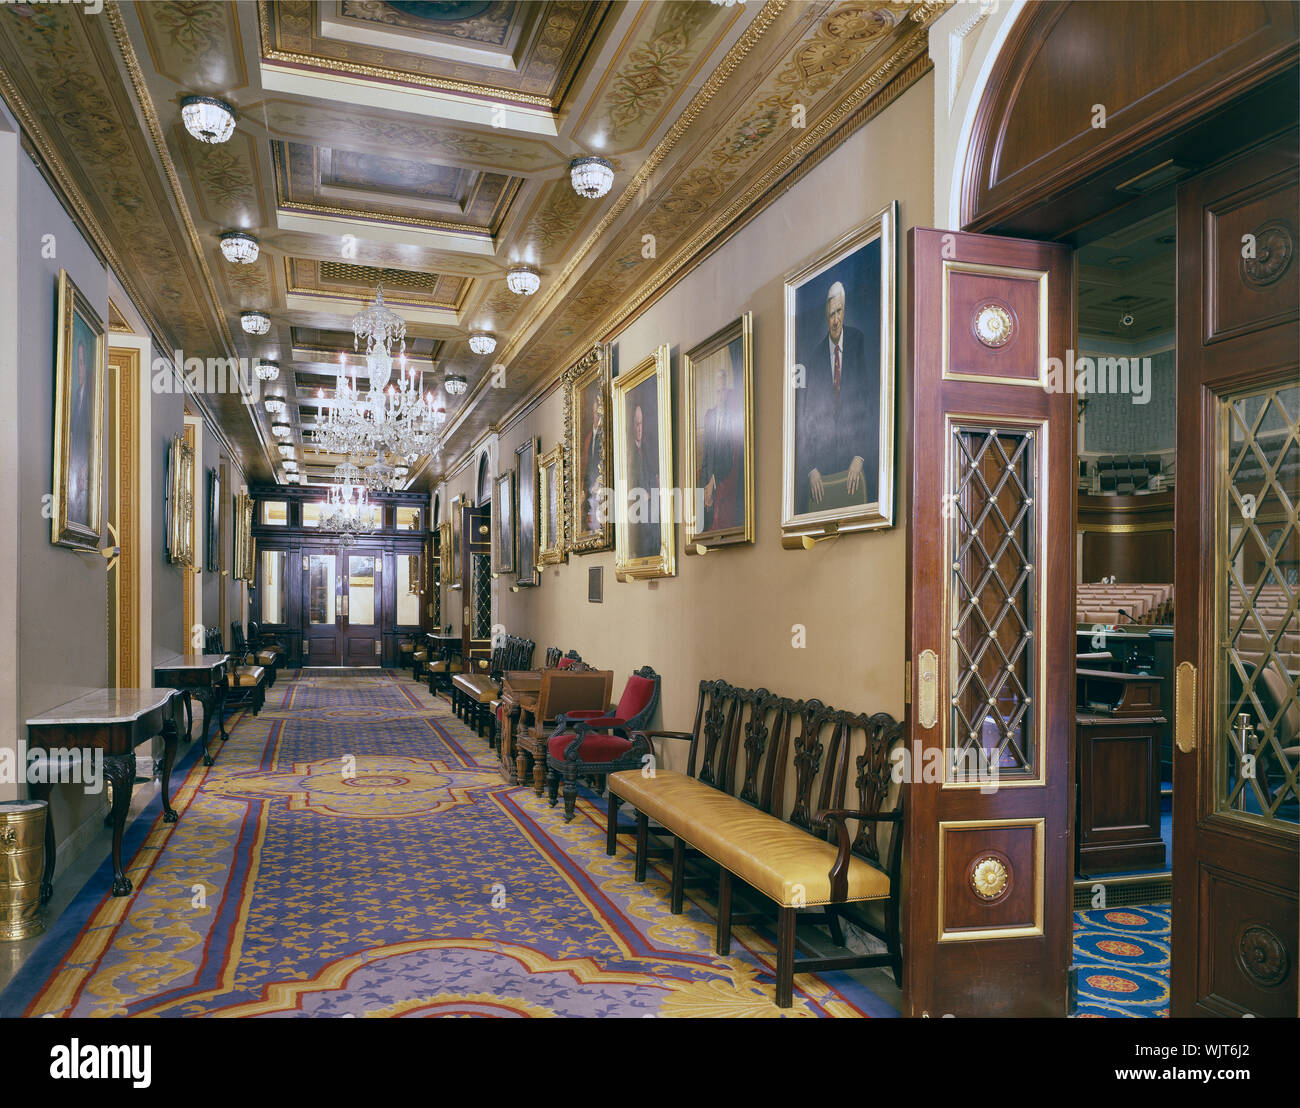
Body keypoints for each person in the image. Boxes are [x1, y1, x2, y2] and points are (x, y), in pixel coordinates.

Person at [794, 279, 878, 515]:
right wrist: (811, 469)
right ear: (825, 315)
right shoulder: (814, 356)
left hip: (856, 459)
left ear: (845, 310)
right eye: (831, 313)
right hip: (824, 465)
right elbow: (807, 415)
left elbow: (868, 402)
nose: (835, 319)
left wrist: (859, 456)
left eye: (839, 311)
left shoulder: (859, 341)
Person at [698, 368, 742, 533]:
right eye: (717, 392)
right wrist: (704, 486)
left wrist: (712, 482)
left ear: (727, 392)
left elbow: (729, 457)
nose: (720, 396)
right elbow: (706, 455)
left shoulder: (733, 418)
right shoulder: (710, 416)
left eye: (723, 391)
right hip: (709, 482)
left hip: (724, 480)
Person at [627, 400, 658, 559]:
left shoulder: (645, 446)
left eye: (641, 424)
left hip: (650, 511)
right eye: (636, 424)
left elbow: (654, 476)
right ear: (632, 425)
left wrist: (652, 491)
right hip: (636, 516)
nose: (639, 428)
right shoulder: (628, 452)